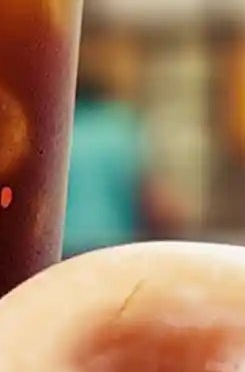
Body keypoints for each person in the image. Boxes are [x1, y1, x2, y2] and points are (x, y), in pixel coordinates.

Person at [62, 75, 183, 257]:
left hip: (63, 248)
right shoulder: (120, 125)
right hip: (114, 247)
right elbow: (154, 199)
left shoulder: (57, 129)